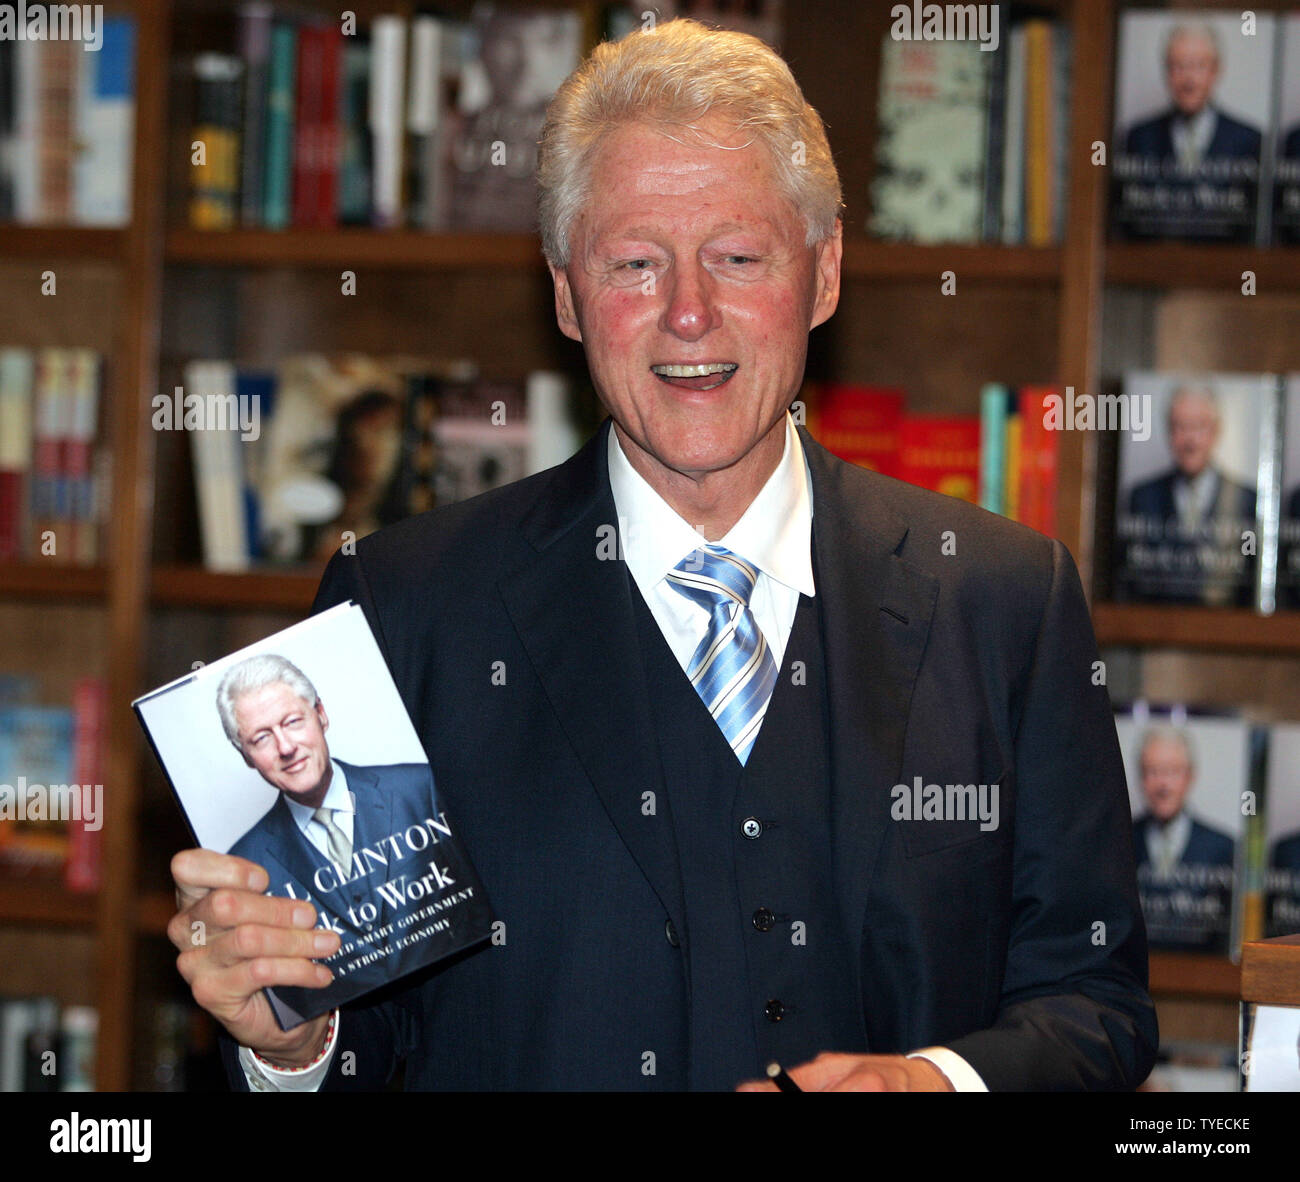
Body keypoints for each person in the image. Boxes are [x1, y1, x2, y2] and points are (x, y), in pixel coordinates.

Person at [170, 19, 1156, 1092]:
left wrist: (937, 1084)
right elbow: (367, 1038)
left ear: (822, 275)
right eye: (634, 263)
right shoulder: (404, 609)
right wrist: (293, 1041)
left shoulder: (1006, 599)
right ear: (564, 293)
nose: (689, 312)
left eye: (738, 258)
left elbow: (1095, 1005)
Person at [216, 654, 451, 1024]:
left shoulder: (419, 789)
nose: (286, 747)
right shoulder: (245, 868)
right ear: (246, 757)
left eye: (293, 721)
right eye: (261, 738)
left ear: (321, 715)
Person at [1130, 726, 1235, 953]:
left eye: (1172, 771)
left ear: (1190, 776)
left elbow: (1226, 939)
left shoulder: (1223, 848)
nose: (1163, 785)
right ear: (1140, 778)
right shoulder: (1120, 841)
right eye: (1153, 771)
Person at [1123, 23, 1261, 168]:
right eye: (1178, 66)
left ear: (1216, 70)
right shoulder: (1139, 138)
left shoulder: (1248, 141)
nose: (1189, 79)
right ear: (1167, 72)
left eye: (1198, 66)